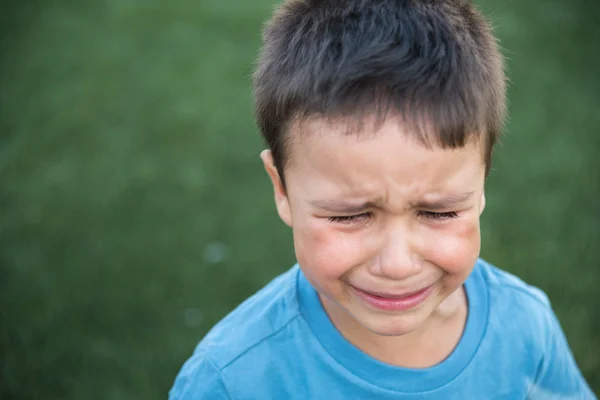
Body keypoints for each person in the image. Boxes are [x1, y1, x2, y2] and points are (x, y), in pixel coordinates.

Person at [170, 0, 596, 398]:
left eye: (439, 211)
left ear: (482, 184)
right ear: (281, 188)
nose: (397, 264)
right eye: (349, 216)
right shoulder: (230, 381)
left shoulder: (525, 329)